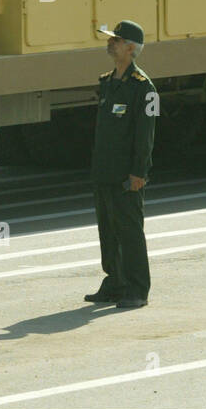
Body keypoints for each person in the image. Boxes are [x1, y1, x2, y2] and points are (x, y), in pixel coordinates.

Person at [85, 20, 156, 309]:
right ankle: (114, 282)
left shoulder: (144, 89)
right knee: (108, 230)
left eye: (115, 40)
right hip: (104, 170)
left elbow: (145, 135)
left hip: (128, 173)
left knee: (129, 231)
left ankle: (137, 289)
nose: (110, 43)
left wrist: (140, 172)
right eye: (110, 39)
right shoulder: (107, 82)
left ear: (130, 48)